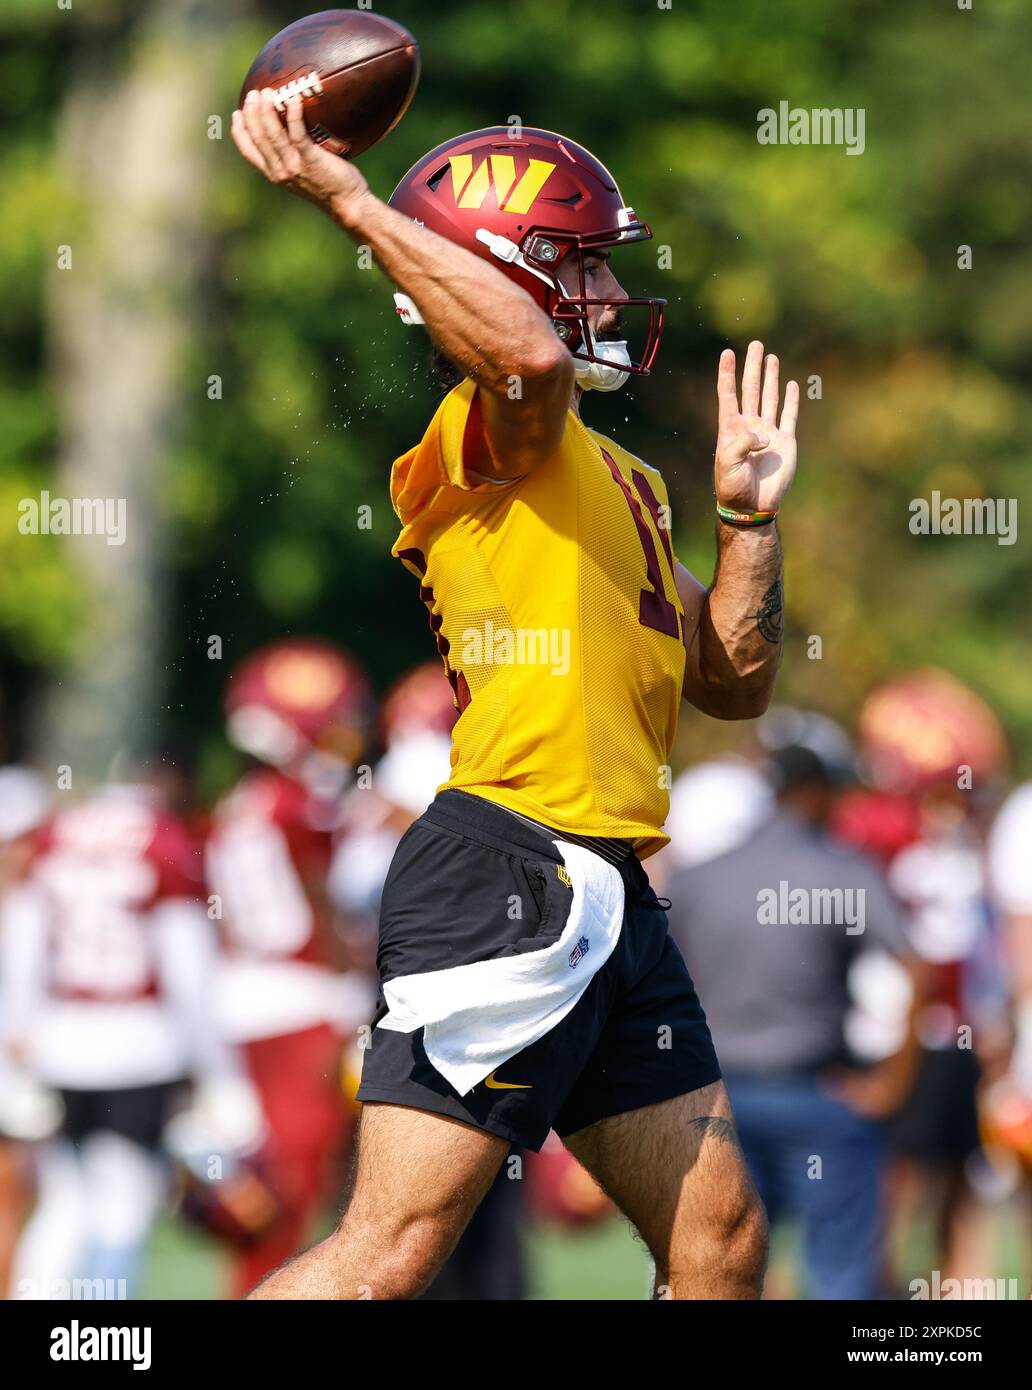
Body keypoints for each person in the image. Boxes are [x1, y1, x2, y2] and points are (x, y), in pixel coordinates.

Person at [232, 94, 800, 1300]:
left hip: (610, 890)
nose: (603, 292)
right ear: (504, 274)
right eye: (578, 263)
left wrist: (749, 519)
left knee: (722, 1245)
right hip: (506, 871)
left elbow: (735, 682)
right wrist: (348, 195)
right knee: (384, 1260)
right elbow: (528, 360)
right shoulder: (488, 433)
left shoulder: (624, 476)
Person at [668, 725, 923, 1298]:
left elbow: (646, 976)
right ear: (812, 792)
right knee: (841, 1279)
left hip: (711, 1101)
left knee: (711, 1273)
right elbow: (917, 969)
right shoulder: (842, 871)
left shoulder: (702, 877)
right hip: (818, 1098)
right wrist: (891, 1084)